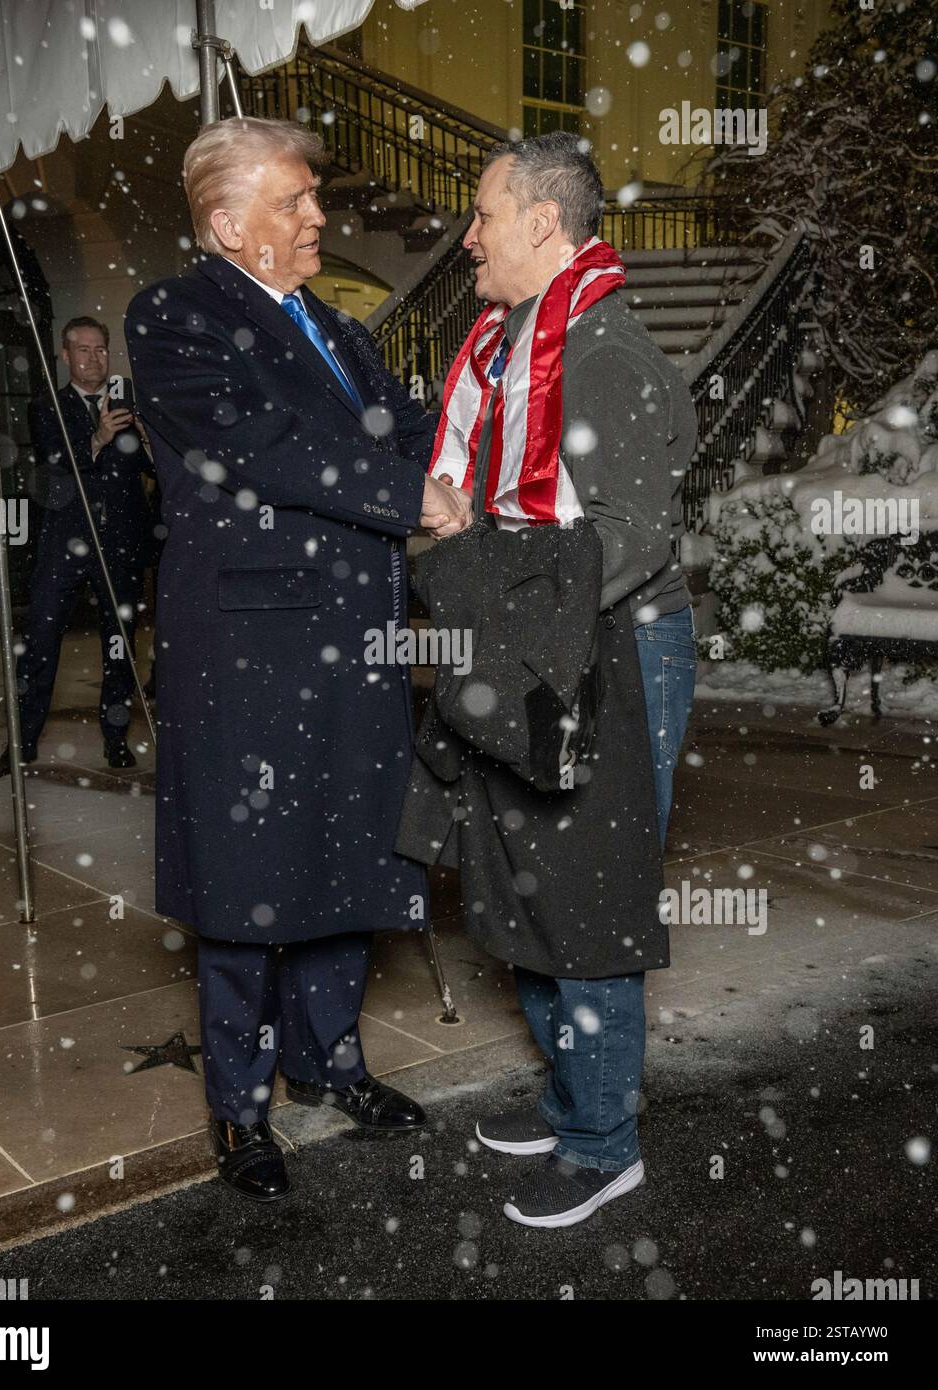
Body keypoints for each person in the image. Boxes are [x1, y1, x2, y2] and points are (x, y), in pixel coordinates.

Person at [125, 116, 471, 1202]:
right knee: (248, 877)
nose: (317, 214)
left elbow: (401, 425)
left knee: (349, 850)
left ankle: (329, 1063)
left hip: (353, 639)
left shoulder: (333, 323)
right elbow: (249, 445)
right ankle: (239, 1108)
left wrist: (486, 441)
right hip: (249, 650)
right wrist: (401, 492)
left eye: (312, 197)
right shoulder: (175, 314)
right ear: (229, 225)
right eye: (292, 200)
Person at [402, 132, 698, 1228]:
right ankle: (572, 1091)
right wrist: (463, 535)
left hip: (613, 653)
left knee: (586, 901)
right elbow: (516, 513)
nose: (466, 237)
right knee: (526, 880)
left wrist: (474, 563)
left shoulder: (600, 356)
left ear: (542, 222)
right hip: (536, 647)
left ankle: (600, 1141)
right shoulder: (504, 348)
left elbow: (622, 539)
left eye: (482, 215)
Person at [0, 317, 152, 778]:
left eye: (100, 349)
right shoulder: (47, 407)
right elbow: (57, 465)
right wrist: (98, 438)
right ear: (64, 355)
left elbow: (155, 471)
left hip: (120, 544)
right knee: (40, 641)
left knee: (119, 646)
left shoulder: (128, 406)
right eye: (83, 349)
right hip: (64, 541)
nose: (93, 358)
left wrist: (147, 438)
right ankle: (22, 742)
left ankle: (116, 738)